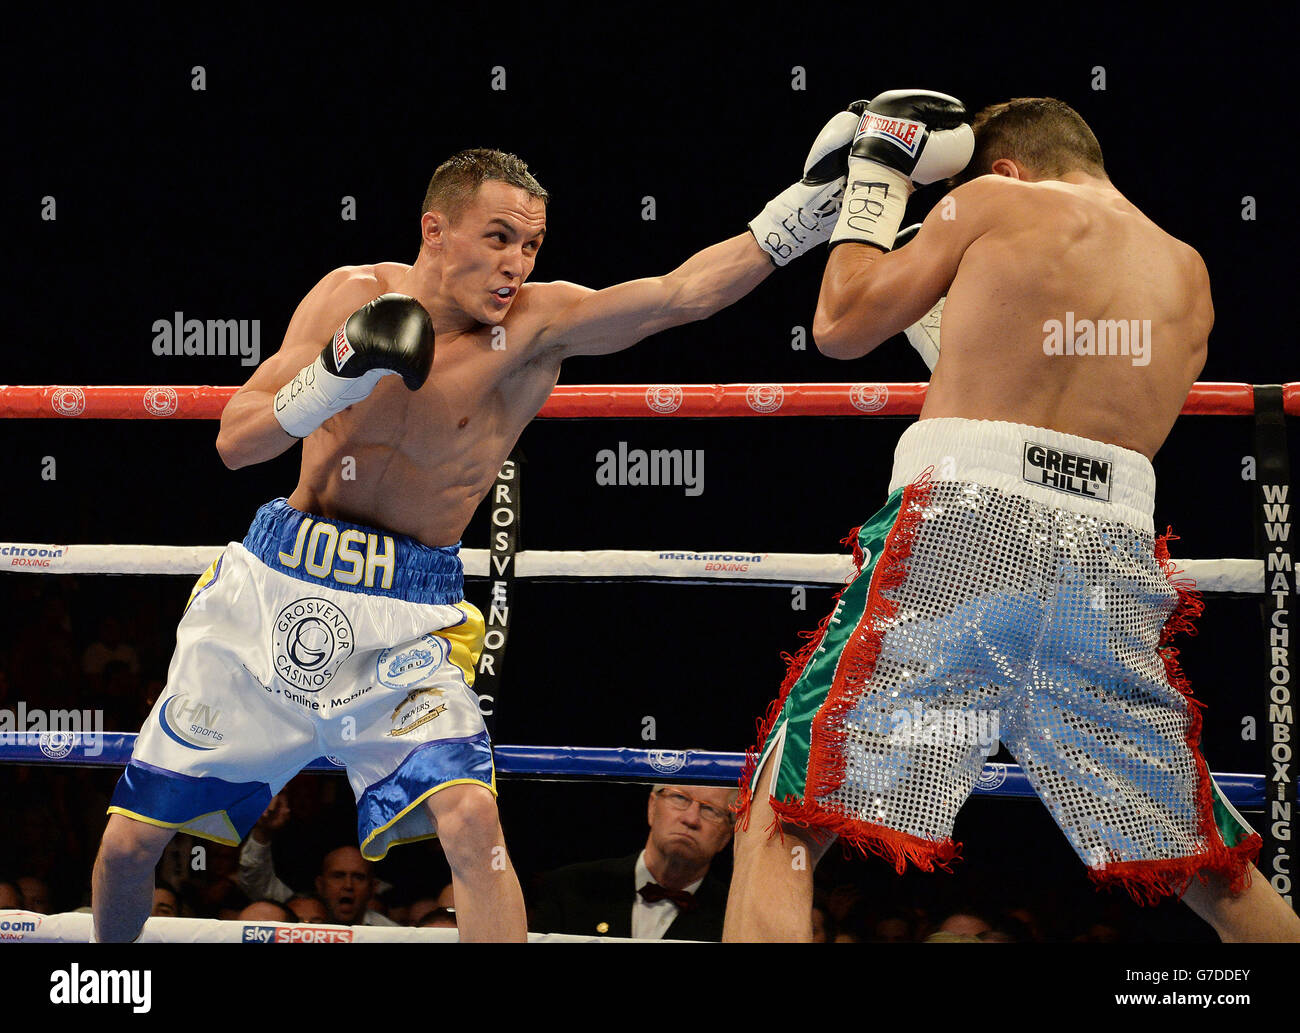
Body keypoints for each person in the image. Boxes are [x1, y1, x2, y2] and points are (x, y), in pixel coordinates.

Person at [91, 101, 887, 942]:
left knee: (474, 826)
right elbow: (233, 442)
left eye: (531, 245)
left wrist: (812, 204)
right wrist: (334, 372)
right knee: (127, 844)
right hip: (273, 589)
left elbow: (681, 294)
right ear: (434, 229)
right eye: (498, 237)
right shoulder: (350, 294)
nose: (516, 264)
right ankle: (105, 985)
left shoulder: (537, 327)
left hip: (407, 615)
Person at [724, 95, 1300, 943]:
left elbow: (840, 324)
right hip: (1110, 558)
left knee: (784, 816)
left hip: (967, 528)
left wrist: (878, 175)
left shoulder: (995, 202)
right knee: (1208, 864)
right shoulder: (1188, 271)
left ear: (1003, 168)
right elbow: (1038, 369)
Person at [532, 785, 737, 940]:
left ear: (727, 835)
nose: (691, 819)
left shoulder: (733, 918)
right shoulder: (571, 887)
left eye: (711, 810)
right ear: (652, 807)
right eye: (680, 798)